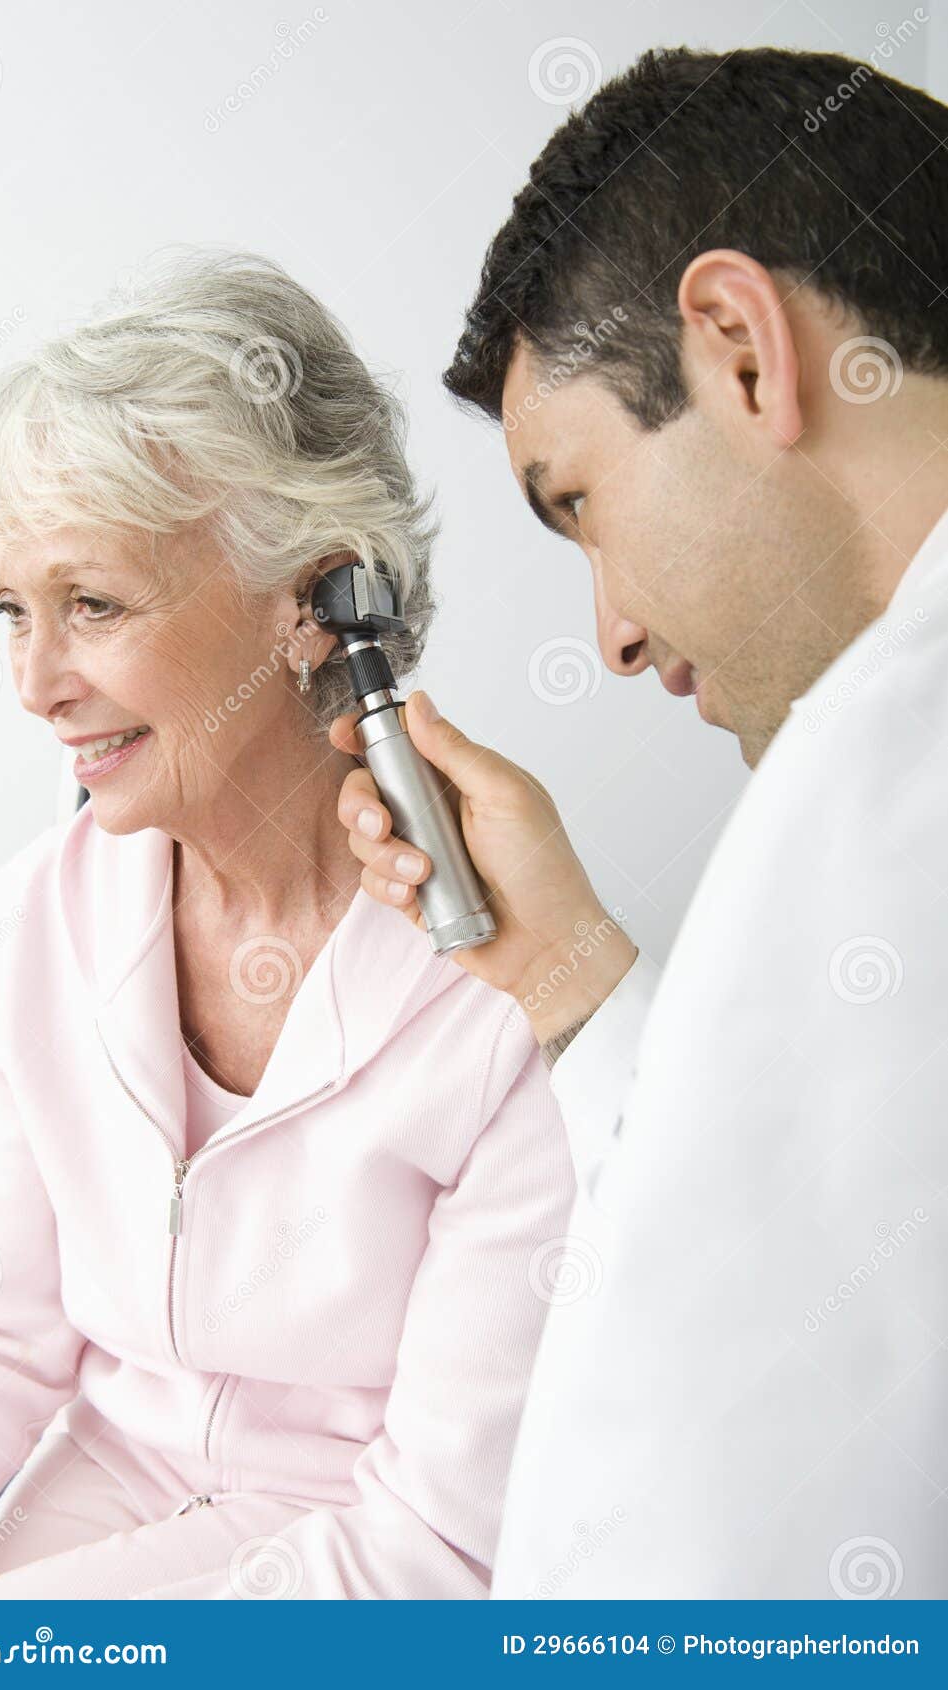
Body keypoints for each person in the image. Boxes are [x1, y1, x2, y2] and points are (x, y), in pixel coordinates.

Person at [332, 46, 948, 1598]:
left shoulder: (876, 772)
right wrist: (568, 984)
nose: (608, 634)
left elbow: (708, 1553)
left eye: (579, 503)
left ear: (742, 351)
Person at [0, 250, 574, 1600]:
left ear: (315, 607)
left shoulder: (510, 975)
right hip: (95, 1503)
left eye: (93, 604)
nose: (34, 681)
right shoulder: (39, 914)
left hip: (349, 1573)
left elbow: (430, 1547)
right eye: (11, 611)